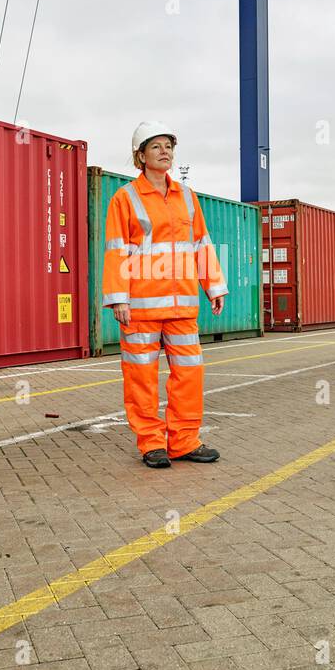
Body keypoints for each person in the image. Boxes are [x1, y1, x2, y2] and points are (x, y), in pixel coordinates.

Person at [102, 121, 228, 468]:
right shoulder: (125, 197)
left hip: (183, 305)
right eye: (155, 146)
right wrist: (118, 297)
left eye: (169, 146)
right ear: (140, 156)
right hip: (141, 305)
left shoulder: (188, 197)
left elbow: (201, 243)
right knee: (142, 377)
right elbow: (116, 250)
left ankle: (185, 440)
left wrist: (213, 286)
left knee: (189, 374)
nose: (165, 152)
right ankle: (151, 443)